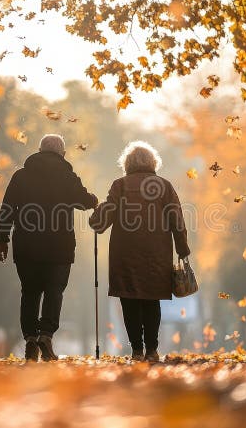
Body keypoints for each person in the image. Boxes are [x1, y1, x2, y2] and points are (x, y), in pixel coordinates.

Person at [0, 134, 97, 362]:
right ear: (62, 154)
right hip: (59, 248)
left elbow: (7, 209)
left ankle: (30, 339)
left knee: (29, 292)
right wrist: (93, 199)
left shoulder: (21, 176)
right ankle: (46, 335)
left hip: (26, 247)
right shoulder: (67, 176)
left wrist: (2, 239)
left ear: (40, 151)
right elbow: (83, 201)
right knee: (54, 290)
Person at [89, 141, 190, 362]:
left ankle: (136, 350)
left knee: (129, 300)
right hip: (157, 254)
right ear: (153, 162)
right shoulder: (164, 186)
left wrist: (97, 218)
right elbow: (177, 220)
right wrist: (182, 249)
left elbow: (105, 217)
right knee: (152, 301)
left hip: (125, 254)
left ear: (127, 163)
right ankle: (152, 350)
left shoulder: (120, 185)